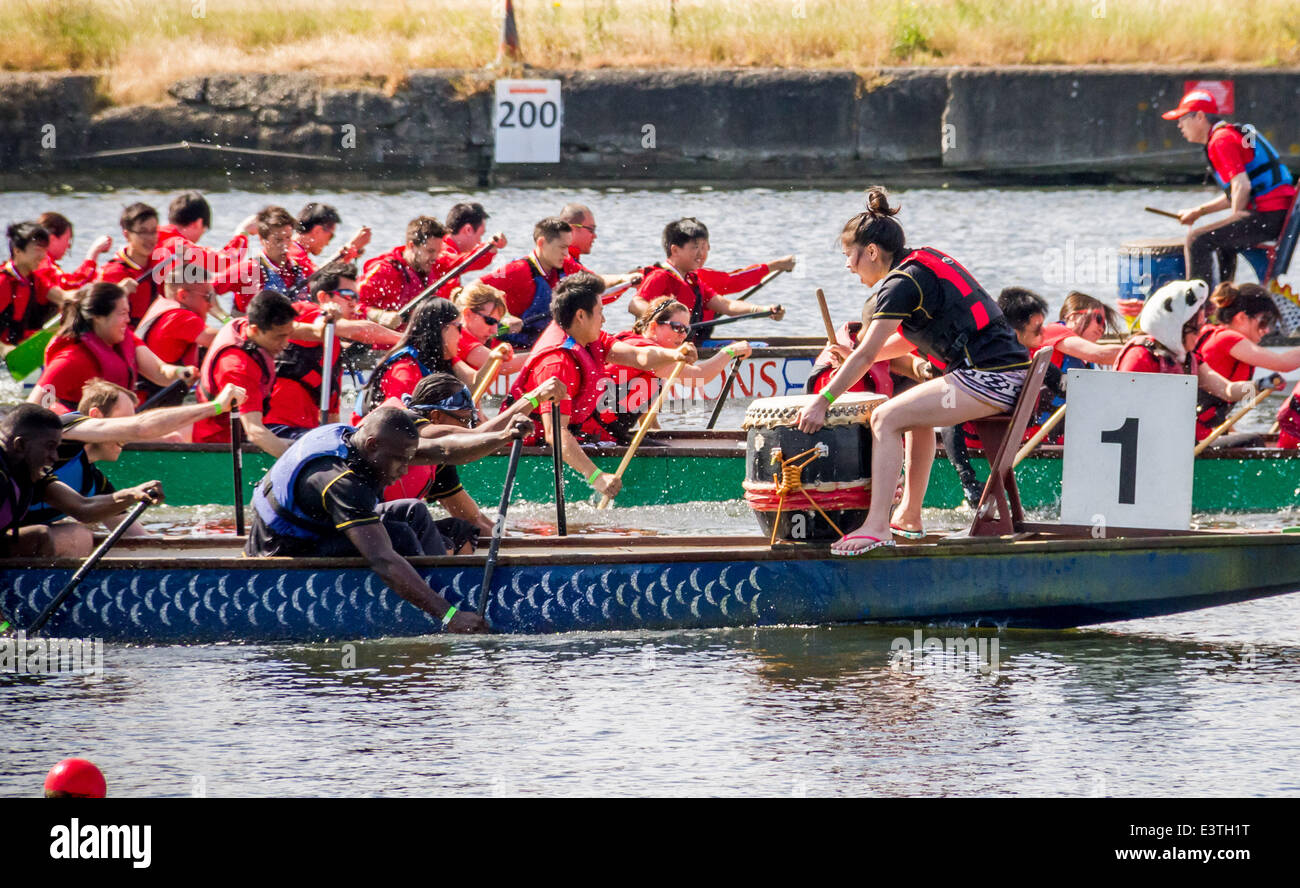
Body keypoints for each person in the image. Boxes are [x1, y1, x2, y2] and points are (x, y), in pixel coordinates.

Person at [796, 187, 1031, 555]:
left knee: (885, 418)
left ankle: (876, 526)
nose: (847, 265)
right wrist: (861, 354)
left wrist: (822, 401)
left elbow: (865, 356)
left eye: (849, 256)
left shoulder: (900, 285)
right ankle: (908, 516)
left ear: (871, 251)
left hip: (992, 379)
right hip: (1006, 374)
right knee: (910, 411)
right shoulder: (921, 261)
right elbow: (897, 346)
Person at [246, 405, 534, 633]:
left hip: (317, 522)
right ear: (373, 445)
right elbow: (382, 559)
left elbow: (443, 450)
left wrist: (502, 437)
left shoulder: (362, 442)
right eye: (401, 461)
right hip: (285, 548)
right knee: (397, 538)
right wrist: (450, 616)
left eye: (410, 459)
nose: (406, 470)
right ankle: (447, 615)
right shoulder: (341, 481)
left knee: (413, 511)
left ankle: (446, 593)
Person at [507, 272, 694, 498]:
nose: (604, 320)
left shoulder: (592, 338)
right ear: (580, 316)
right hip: (525, 448)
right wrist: (596, 476)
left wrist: (674, 354)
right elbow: (555, 433)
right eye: (600, 312)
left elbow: (638, 356)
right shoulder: (557, 364)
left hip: (571, 439)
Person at [25, 378, 246, 527]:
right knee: (77, 536)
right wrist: (216, 406)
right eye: (125, 419)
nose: (129, 436)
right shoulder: (63, 428)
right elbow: (142, 427)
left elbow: (136, 537)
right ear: (96, 415)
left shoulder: (96, 485)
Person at [379, 372, 562, 539]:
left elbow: (475, 520)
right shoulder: (403, 424)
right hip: (361, 523)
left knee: (461, 531)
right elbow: (479, 435)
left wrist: (517, 548)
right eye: (465, 421)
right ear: (436, 417)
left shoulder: (437, 461)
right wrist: (534, 398)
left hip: (388, 529)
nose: (468, 427)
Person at [1163, 88, 1297, 285]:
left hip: (1269, 216)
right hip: (1277, 215)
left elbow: (1241, 187)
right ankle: (1224, 300)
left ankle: (1199, 308)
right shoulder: (1228, 134)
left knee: (1196, 239)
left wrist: (1234, 220)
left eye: (1183, 118)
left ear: (1200, 117)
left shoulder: (1220, 140)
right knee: (1219, 239)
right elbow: (1238, 191)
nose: (1179, 125)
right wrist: (1199, 211)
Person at [0, 403, 162, 558]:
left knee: (77, 534)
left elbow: (84, 508)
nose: (54, 457)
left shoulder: (32, 472)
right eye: (49, 447)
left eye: (56, 448)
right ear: (20, 445)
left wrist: (132, 495)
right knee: (39, 536)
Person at [264, 261, 400, 436]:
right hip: (275, 427)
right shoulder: (303, 311)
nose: (354, 304)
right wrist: (406, 339)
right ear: (323, 298)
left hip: (305, 432)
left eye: (356, 298)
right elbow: (358, 330)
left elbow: (333, 414)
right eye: (347, 295)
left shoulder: (333, 346)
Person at [1114, 280, 1256, 439]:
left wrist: (1259, 386)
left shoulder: (1189, 359)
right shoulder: (1140, 357)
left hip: (1182, 441)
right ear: (1175, 328)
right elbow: (1123, 410)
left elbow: (1228, 390)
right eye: (1196, 329)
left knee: (1248, 440)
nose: (1200, 334)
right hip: (1154, 445)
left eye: (1202, 326)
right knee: (1251, 441)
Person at [191, 289, 319, 456]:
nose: (285, 344)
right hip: (221, 449)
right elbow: (255, 432)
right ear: (255, 330)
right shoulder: (238, 368)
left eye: (288, 335)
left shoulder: (245, 324)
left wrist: (324, 326)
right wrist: (297, 464)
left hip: (246, 434)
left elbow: (296, 329)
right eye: (278, 337)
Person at [36, 282, 198, 413]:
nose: (128, 320)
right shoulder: (70, 360)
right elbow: (34, 406)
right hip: (87, 436)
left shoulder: (126, 340)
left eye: (128, 312)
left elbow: (160, 371)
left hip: (118, 430)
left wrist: (180, 372)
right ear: (98, 318)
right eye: (121, 314)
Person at [626, 218, 785, 345]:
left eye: (704, 247)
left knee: (756, 347)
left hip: (686, 346)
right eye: (695, 247)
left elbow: (727, 306)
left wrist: (764, 309)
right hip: (657, 349)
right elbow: (635, 304)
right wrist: (662, 318)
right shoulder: (660, 276)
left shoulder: (693, 280)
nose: (701, 254)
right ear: (675, 250)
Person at [609, 296, 752, 428]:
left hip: (608, 432)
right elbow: (697, 377)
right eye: (677, 327)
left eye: (686, 329)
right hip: (599, 437)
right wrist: (730, 351)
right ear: (653, 327)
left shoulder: (633, 343)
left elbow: (649, 423)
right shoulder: (647, 351)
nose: (683, 335)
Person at [1192, 281, 1300, 443]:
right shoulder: (1227, 338)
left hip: (1198, 432)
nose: (1267, 330)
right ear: (1241, 318)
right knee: (1255, 442)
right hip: (1192, 437)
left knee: (1258, 440)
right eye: (1264, 322)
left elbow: (1218, 406)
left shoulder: (1215, 334)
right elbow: (1283, 363)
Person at [354, 297, 475, 420]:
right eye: (458, 327)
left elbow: (474, 381)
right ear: (441, 329)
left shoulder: (441, 359)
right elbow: (396, 422)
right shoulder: (405, 369)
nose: (461, 335)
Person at [477, 217, 586, 349]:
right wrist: (504, 317)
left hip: (544, 345)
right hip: (511, 350)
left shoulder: (564, 265)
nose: (566, 253)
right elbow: (473, 289)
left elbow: (597, 281)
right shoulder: (518, 270)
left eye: (568, 247)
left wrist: (619, 278)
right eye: (562, 247)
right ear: (541, 243)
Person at [133, 261, 223, 405]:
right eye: (207, 297)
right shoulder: (179, 317)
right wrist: (225, 317)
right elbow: (222, 338)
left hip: (150, 390)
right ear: (183, 296)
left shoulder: (164, 306)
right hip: (154, 399)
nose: (211, 304)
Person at [215, 205, 312, 312]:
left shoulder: (299, 268)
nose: (285, 245)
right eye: (278, 240)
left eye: (288, 238)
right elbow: (204, 291)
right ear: (262, 240)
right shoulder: (248, 270)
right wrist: (226, 320)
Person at [356, 215, 447, 326]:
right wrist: (379, 316)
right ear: (412, 246)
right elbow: (354, 304)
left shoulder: (429, 267)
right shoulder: (384, 271)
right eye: (430, 251)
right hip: (382, 340)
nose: (435, 257)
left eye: (438, 251)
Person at [0, 222, 71, 348]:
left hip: (21, 344)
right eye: (38, 250)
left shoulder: (33, 279)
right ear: (17, 251)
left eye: (45, 250)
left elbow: (64, 297)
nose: (43, 256)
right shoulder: (3, 282)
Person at [96, 202, 165, 325]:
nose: (150, 238)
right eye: (143, 232)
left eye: (153, 231)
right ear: (127, 235)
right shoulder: (112, 272)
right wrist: (117, 293)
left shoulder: (161, 263)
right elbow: (99, 317)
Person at [453, 281, 524, 376]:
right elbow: (504, 366)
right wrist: (539, 354)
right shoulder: (459, 336)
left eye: (497, 324)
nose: (494, 331)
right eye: (490, 321)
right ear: (467, 314)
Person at [436, 202, 505, 296]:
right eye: (480, 235)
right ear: (468, 230)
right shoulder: (440, 251)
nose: (480, 241)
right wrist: (489, 247)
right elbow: (461, 263)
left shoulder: (447, 246)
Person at [288, 202, 371, 277]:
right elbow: (317, 281)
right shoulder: (295, 254)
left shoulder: (292, 249)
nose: (328, 243)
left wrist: (345, 257)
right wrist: (347, 250)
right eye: (331, 237)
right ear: (318, 231)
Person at [35, 211, 108, 292]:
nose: (69, 246)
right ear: (52, 239)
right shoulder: (43, 262)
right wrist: (93, 253)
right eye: (68, 240)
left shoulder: (36, 257)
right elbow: (70, 285)